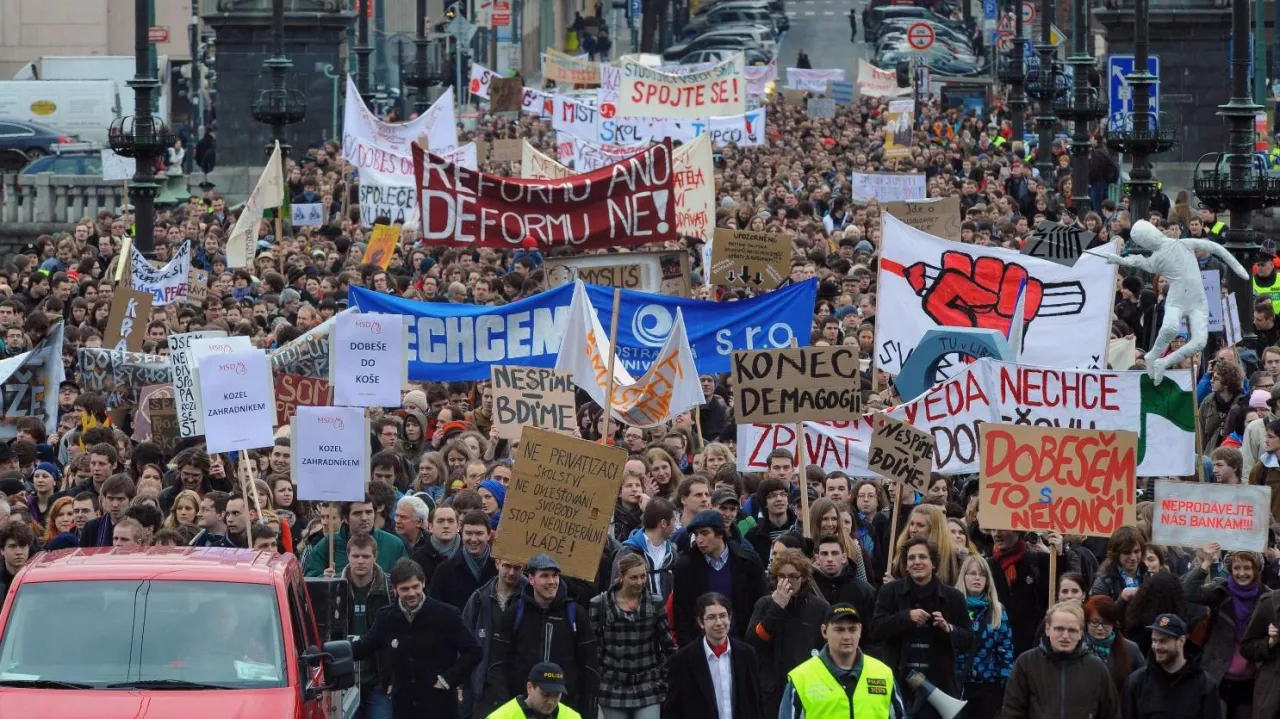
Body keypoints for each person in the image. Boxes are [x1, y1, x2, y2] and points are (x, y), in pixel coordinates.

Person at [350, 558, 482, 719]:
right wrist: (331, 653)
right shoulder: (386, 617)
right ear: (395, 590)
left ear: (423, 583)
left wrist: (447, 679)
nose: (411, 593)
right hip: (404, 707)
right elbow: (366, 645)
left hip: (439, 707)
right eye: (405, 589)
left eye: (415, 587)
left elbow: (473, 651)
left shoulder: (446, 615)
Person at [484, 554, 600, 718]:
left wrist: (587, 708)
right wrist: (504, 702)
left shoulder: (575, 613)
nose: (551, 582)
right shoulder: (515, 612)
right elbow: (498, 661)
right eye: (545, 576)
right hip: (522, 706)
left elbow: (589, 665)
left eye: (555, 575)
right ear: (531, 579)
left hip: (564, 705)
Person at [870, 537, 970, 719]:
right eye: (911, 558)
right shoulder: (889, 592)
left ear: (933, 563)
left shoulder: (953, 597)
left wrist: (949, 628)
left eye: (922, 557)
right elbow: (876, 630)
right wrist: (906, 617)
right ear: (906, 565)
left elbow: (969, 640)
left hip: (939, 688)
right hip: (900, 685)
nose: (917, 562)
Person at [779, 603, 905, 719]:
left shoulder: (883, 674)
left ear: (860, 630)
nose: (846, 637)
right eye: (839, 630)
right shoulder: (801, 678)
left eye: (852, 629)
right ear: (824, 631)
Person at [588, 552, 675, 719]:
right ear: (621, 577)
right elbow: (595, 648)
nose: (640, 582)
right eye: (633, 577)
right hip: (612, 684)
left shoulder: (654, 602)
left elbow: (667, 644)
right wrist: (599, 679)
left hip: (648, 683)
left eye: (643, 576)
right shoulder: (600, 604)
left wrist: (663, 680)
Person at [1182, 545, 1264, 717]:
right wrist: (1206, 562)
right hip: (1218, 677)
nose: (1242, 573)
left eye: (1247, 567)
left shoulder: (1266, 598)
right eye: (1237, 568)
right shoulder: (1220, 590)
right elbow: (1188, 591)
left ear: (1256, 570)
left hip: (1252, 681)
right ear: (1230, 569)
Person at [1003, 602, 1120, 719]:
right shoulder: (1026, 663)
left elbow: (1110, 713)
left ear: (1081, 633)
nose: (1065, 636)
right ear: (1047, 629)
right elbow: (1012, 711)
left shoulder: (1096, 668)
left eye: (1072, 630)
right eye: (1059, 629)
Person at [671, 509, 768, 646]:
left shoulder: (748, 561)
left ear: (720, 533)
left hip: (742, 645)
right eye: (696, 534)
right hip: (702, 648)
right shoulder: (686, 567)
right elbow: (682, 615)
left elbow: (760, 603)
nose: (699, 540)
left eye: (705, 533)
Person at [662, 592, 764, 719]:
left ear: (730, 618)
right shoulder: (682, 660)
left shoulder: (747, 654)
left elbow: (756, 701)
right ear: (700, 622)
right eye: (711, 617)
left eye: (723, 616)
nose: (719, 622)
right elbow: (673, 709)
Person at [330, 532, 393, 719]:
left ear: (375, 557)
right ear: (348, 556)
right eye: (355, 556)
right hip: (344, 679)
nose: (360, 561)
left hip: (378, 678)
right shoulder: (334, 587)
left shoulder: (390, 589)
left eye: (366, 556)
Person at [1121, 613, 1223, 719]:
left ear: (1181, 641)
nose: (1157, 646)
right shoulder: (1137, 682)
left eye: (1163, 641)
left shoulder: (1205, 686)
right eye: (1154, 640)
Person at [462, 558, 527, 719]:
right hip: (485, 686)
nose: (511, 572)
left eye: (517, 568)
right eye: (507, 566)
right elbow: (464, 641)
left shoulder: (530, 597)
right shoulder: (479, 598)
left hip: (519, 685)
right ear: (497, 564)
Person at [955, 554, 1015, 718]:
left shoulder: (997, 610)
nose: (977, 578)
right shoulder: (952, 606)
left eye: (982, 574)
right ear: (963, 577)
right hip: (956, 684)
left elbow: (1005, 650)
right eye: (972, 573)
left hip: (987, 687)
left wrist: (1003, 686)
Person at [429, 509, 497, 611]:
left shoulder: (500, 569)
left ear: (488, 535)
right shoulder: (445, 570)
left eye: (479, 533)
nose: (473, 539)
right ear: (461, 533)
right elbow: (435, 609)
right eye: (468, 533)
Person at [486, 662, 583, 719]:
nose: (550, 701)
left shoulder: (573, 717)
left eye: (556, 695)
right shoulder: (501, 717)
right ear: (529, 688)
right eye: (545, 694)